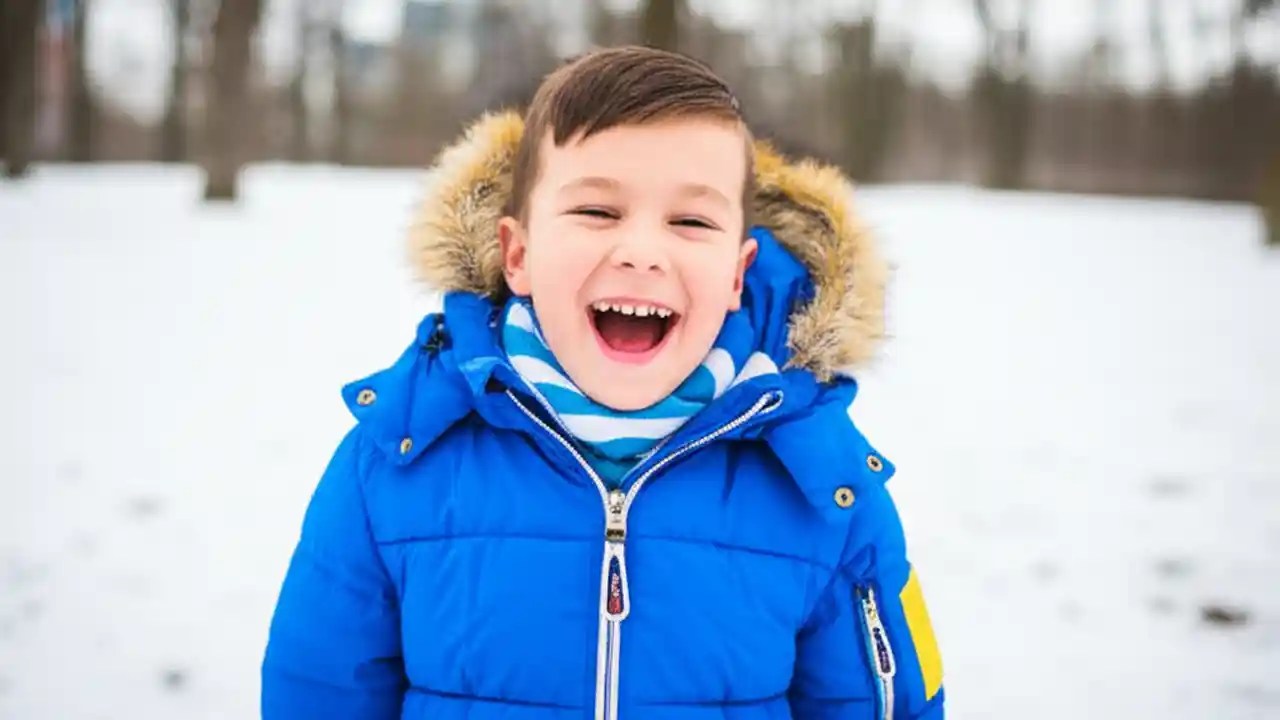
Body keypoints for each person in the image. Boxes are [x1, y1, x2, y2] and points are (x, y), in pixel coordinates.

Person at [261, 45, 945, 720]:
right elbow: (315, 691)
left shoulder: (827, 489)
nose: (642, 253)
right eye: (597, 211)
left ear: (737, 276)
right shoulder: (394, 464)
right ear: (518, 254)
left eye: (690, 221)